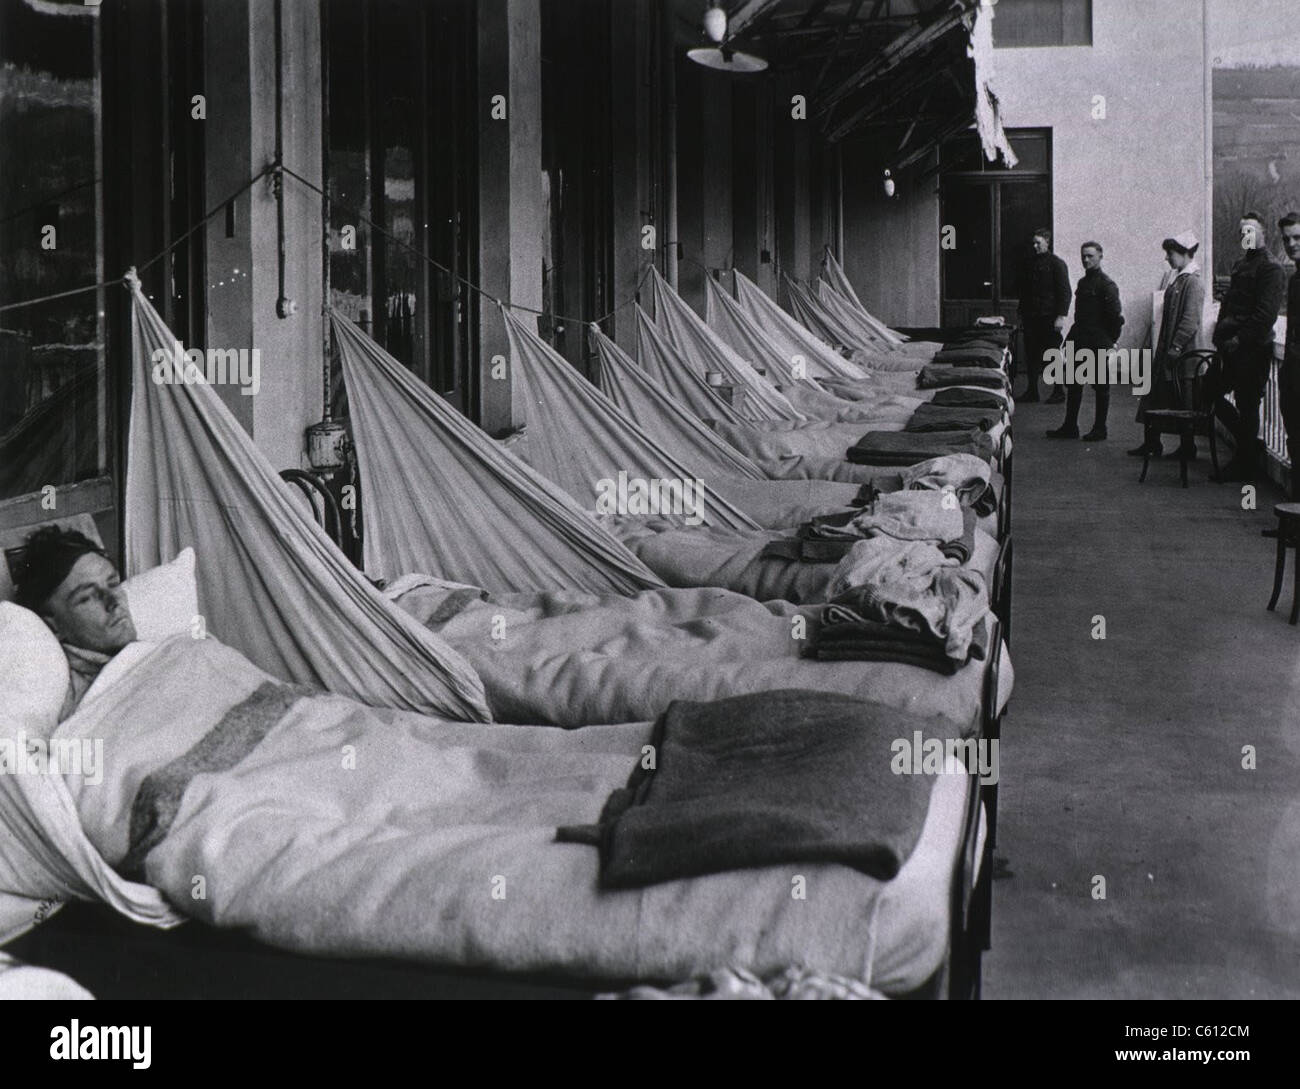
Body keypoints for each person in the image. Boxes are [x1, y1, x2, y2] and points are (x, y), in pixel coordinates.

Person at [11, 525, 137, 722]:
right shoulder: (81, 704)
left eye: (113, 584)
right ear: (53, 625)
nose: (114, 601)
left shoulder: (160, 651)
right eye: (87, 597)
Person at [1210, 211, 1286, 483]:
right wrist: (1220, 335)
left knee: (1248, 404)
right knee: (1210, 394)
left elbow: (1265, 315)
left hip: (1252, 349)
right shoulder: (1240, 264)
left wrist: (1238, 339)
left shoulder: (1271, 268)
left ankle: (1244, 462)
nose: (1247, 236)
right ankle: (1250, 445)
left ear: (1263, 234)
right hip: (1229, 347)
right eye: (1243, 232)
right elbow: (1228, 304)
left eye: (1252, 231)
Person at [1130, 232, 1207, 459]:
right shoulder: (1178, 279)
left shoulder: (1193, 282)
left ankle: (1187, 446)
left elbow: (1190, 320)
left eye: (1170, 253)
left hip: (1184, 356)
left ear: (1185, 254)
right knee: (1155, 396)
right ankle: (1152, 443)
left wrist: (1175, 347)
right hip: (1169, 352)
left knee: (1184, 401)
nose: (1167, 258)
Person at [1047, 241, 1124, 441]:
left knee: (1100, 386)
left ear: (1100, 256)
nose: (1086, 259)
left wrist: (1110, 341)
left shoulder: (1107, 285)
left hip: (1097, 343)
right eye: (1083, 256)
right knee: (1073, 384)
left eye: (1090, 256)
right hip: (1080, 339)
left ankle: (1100, 428)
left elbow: (1115, 318)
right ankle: (1070, 426)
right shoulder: (1083, 283)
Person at [1016, 227, 1071, 403]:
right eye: (1033, 243)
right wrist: (1021, 314)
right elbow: (1024, 291)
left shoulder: (1057, 264)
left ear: (1048, 242)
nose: (1035, 246)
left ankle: (1058, 391)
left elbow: (1065, 292)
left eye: (1038, 243)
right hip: (1031, 317)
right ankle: (1032, 391)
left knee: (1052, 354)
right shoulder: (1029, 263)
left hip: (1049, 318)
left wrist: (1061, 316)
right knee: (1031, 354)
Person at [1279, 212, 1300, 499]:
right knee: (1294, 443)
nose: (1292, 244)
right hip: (1293, 374)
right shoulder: (1295, 280)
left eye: (1297, 237)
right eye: (1287, 239)